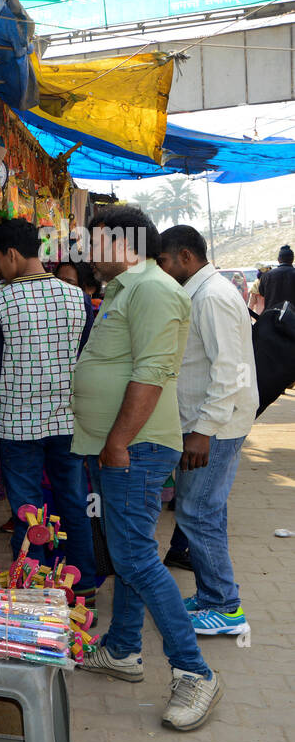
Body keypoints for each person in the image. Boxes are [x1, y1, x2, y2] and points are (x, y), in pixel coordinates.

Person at [73, 205, 221, 732]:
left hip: (134, 448)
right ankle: (123, 649)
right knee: (128, 551)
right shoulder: (125, 290)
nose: (84, 253)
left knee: (135, 559)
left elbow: (152, 372)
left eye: (91, 242)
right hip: (117, 447)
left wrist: (117, 441)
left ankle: (194, 672)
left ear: (119, 242)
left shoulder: (155, 290)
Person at [0, 220, 99, 604]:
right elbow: (86, 360)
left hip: (18, 428)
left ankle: (31, 588)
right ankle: (82, 584)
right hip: (67, 422)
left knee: (27, 509)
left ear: (13, 254)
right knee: (72, 501)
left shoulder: (0, 304)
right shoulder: (77, 298)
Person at [155, 225, 258, 636]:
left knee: (198, 512)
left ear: (184, 257)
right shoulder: (201, 292)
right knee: (205, 510)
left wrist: (202, 431)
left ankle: (226, 607)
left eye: (163, 262)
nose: (161, 270)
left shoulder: (212, 296)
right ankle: (212, 594)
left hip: (215, 425)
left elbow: (227, 370)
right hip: (208, 421)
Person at [255, 245, 295, 313]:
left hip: (271, 317)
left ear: (279, 259)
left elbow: (262, 292)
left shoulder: (267, 275)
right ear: (292, 259)